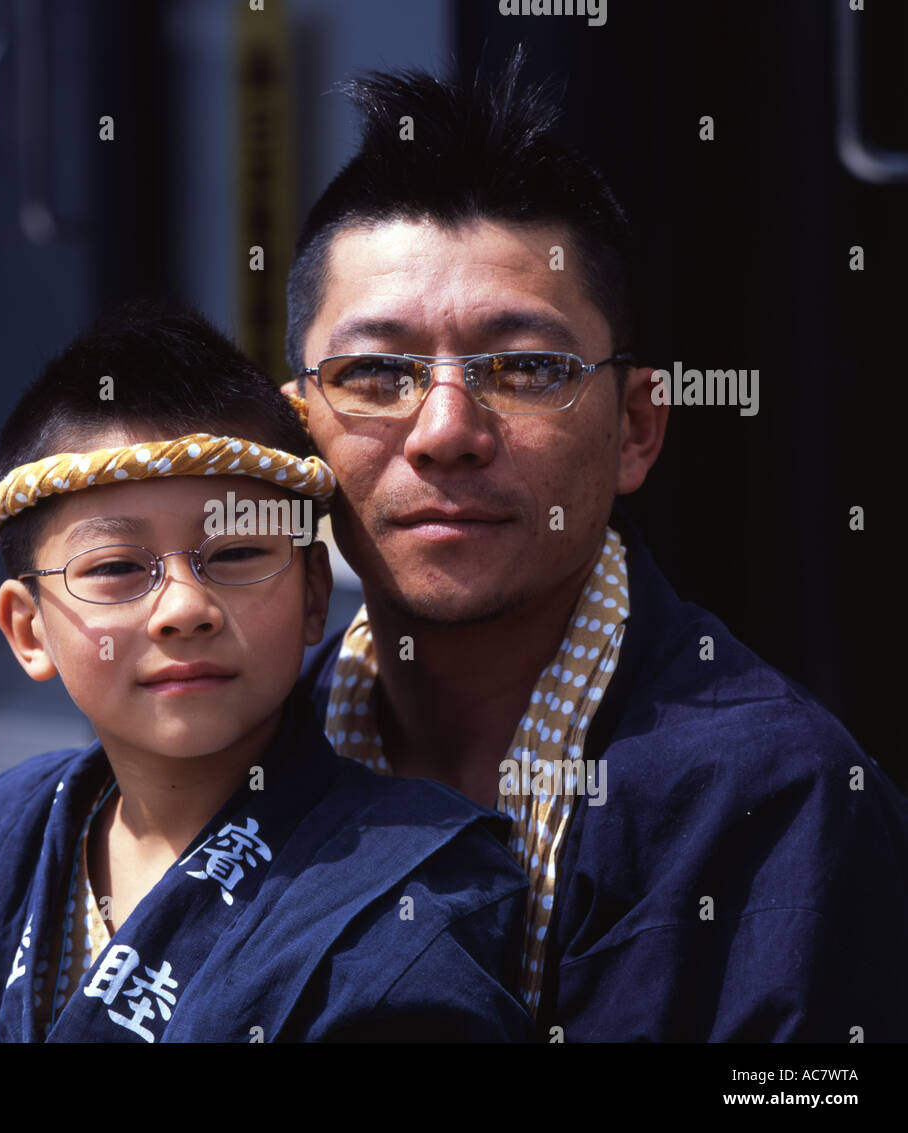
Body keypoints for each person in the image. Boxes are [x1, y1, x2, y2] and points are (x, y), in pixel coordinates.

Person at [281, 57, 908, 1041]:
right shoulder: (245, 748)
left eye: (526, 366)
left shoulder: (784, 808)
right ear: (298, 433)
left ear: (636, 429)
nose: (445, 428)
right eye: (374, 371)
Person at [0, 300, 534, 1043]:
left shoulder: (414, 902)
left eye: (237, 554)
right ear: (28, 630)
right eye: (118, 567)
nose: (184, 609)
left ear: (314, 592)